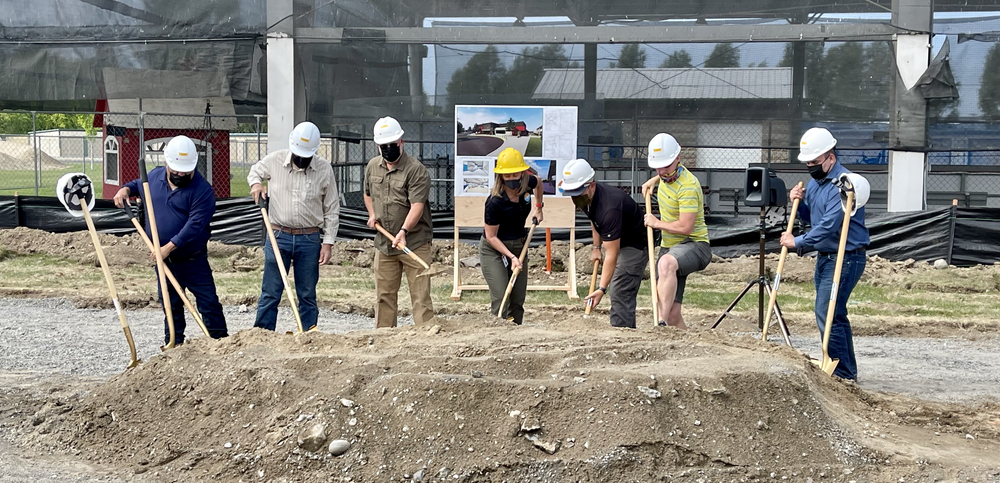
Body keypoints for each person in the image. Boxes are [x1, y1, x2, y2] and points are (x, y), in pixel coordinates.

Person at [113, 135, 228, 345]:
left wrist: (168, 247)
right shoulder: (154, 177)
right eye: (176, 170)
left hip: (193, 260)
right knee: (171, 306)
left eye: (185, 171)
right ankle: (174, 346)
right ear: (167, 163)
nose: (180, 174)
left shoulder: (202, 191)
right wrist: (125, 189)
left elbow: (194, 226)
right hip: (165, 262)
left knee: (209, 304)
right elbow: (138, 184)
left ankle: (220, 344)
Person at [780, 127, 869, 381]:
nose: (811, 166)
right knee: (831, 312)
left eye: (815, 162)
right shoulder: (815, 184)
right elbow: (814, 218)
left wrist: (796, 241)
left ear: (830, 157)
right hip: (825, 256)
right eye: (807, 163)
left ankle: (842, 374)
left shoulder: (845, 185)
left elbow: (829, 226)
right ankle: (844, 369)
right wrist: (798, 204)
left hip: (846, 257)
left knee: (828, 311)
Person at [247, 121, 340, 332]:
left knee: (307, 293)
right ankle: (263, 334)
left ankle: (308, 333)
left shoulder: (324, 169)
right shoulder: (275, 160)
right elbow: (254, 172)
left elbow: (332, 208)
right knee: (271, 291)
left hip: (309, 239)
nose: (301, 159)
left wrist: (328, 243)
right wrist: (256, 184)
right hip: (278, 235)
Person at [364, 116, 435, 328]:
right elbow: (367, 194)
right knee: (384, 296)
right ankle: (384, 338)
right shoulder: (372, 167)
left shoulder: (416, 170)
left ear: (401, 142)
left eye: (392, 145)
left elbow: (417, 206)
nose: (388, 150)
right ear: (377, 146)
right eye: (383, 146)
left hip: (414, 242)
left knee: (421, 297)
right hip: (384, 244)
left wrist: (404, 230)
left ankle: (425, 336)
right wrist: (372, 214)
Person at [559, 158, 647, 329]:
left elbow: (612, 254)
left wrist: (601, 289)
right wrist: (596, 247)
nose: (575, 197)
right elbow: (594, 219)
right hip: (616, 237)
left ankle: (622, 331)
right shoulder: (586, 198)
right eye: (571, 193)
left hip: (635, 243)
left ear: (591, 185)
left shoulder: (609, 208)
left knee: (620, 287)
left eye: (578, 192)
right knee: (617, 284)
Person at [640, 133, 711, 329]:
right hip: (670, 246)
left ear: (678, 158)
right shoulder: (666, 175)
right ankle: (685, 341)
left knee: (666, 263)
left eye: (665, 166)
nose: (662, 171)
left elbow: (685, 227)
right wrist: (654, 180)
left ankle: (660, 325)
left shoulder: (688, 187)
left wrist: (656, 223)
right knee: (673, 313)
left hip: (695, 245)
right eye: (657, 167)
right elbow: (665, 174)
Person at [480, 148, 544, 324]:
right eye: (507, 176)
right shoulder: (494, 202)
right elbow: (491, 236)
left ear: (522, 173)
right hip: (494, 249)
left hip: (519, 245)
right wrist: (512, 257)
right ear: (500, 176)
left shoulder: (528, 184)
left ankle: (515, 330)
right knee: (502, 295)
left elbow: (538, 183)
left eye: (515, 174)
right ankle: (499, 330)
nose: (511, 179)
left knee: (517, 297)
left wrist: (539, 207)